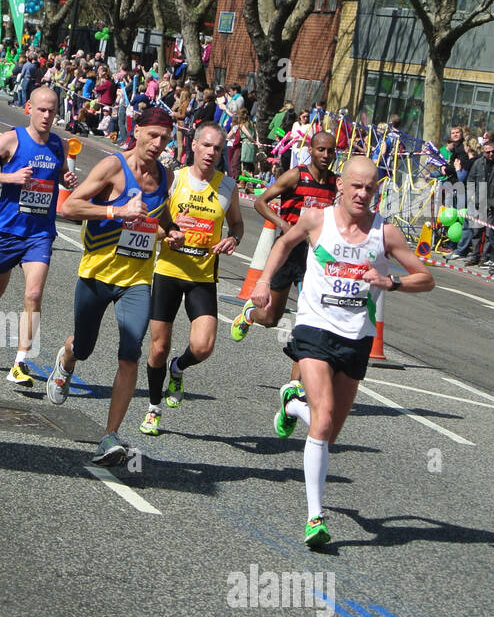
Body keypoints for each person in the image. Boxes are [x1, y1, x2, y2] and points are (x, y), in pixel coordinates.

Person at [251, 156, 433, 546]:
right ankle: (315, 518)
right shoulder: (317, 219)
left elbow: (426, 278)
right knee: (324, 416)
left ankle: (291, 406)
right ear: (341, 186)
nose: (362, 194)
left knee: (328, 433)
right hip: (315, 327)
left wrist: (390, 282)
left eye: (370, 188)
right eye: (356, 186)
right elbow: (283, 243)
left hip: (356, 338)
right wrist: (264, 281)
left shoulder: (386, 233)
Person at [47, 107, 174, 466]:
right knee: (84, 346)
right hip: (97, 274)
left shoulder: (166, 176)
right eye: (152, 135)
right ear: (137, 131)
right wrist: (116, 213)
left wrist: (171, 231)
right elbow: (71, 206)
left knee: (130, 352)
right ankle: (67, 358)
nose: (158, 144)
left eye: (164, 138)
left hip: (136, 280)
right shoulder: (112, 167)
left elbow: (160, 215)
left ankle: (109, 437)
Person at [0, 88, 77, 385]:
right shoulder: (11, 140)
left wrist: (66, 178)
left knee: (34, 294)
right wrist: (9, 177)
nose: (47, 116)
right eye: (41, 110)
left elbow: (61, 171)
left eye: (52, 111)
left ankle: (20, 363)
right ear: (29, 108)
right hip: (7, 230)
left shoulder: (58, 145)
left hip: (39, 234)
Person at [139, 122, 242, 436]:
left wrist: (233, 240)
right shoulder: (174, 179)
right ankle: (154, 408)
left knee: (203, 346)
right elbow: (150, 222)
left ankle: (178, 367)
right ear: (194, 146)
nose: (211, 153)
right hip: (168, 271)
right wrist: (166, 234)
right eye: (207, 146)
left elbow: (237, 226)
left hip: (202, 275)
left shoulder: (228, 187)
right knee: (158, 348)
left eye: (218, 149)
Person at [230, 131, 339, 385]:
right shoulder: (295, 176)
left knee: (312, 318)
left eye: (331, 151)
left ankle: (296, 387)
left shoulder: (335, 183)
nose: (326, 155)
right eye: (321, 150)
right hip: (287, 252)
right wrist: (284, 224)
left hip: (314, 258)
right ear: (311, 150)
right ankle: (249, 315)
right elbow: (261, 202)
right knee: (270, 319)